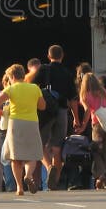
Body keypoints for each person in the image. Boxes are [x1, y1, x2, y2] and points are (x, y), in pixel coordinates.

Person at [0, 64, 45, 196]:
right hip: (32, 122)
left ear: (13, 77)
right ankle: (29, 174)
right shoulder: (35, 88)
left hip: (16, 123)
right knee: (32, 153)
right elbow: (42, 106)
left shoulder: (11, 88)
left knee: (16, 157)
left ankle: (19, 187)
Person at [33, 45, 78, 191]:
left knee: (40, 144)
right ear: (62, 56)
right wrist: (76, 118)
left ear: (48, 55)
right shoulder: (67, 73)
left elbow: (32, 88)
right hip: (62, 111)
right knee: (57, 148)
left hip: (45, 111)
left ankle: (49, 166)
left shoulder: (44, 69)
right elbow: (73, 99)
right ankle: (55, 183)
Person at [77, 72, 106, 189]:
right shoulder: (103, 91)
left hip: (97, 124)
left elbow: (88, 110)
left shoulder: (84, 94)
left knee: (96, 151)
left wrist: (83, 125)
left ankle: (102, 174)